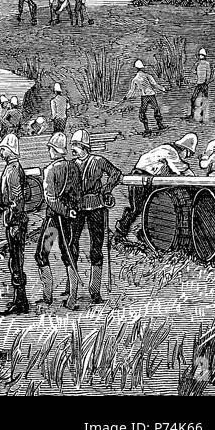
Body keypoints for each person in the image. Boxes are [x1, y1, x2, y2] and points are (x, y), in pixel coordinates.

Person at [69, 129, 121, 305]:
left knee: (96, 247)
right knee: (72, 244)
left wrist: (107, 189)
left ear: (84, 146)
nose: (73, 149)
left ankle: (95, 289)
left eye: (76, 145)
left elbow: (116, 173)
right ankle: (72, 286)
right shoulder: (72, 164)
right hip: (77, 207)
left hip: (96, 207)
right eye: (72, 145)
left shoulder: (98, 161)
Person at [115, 133, 198, 239]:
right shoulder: (170, 151)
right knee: (137, 208)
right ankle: (120, 232)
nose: (188, 157)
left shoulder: (167, 150)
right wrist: (194, 181)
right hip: (140, 179)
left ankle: (144, 234)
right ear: (184, 149)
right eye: (188, 154)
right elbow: (181, 170)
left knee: (150, 207)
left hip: (149, 180)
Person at [34, 132, 83, 310]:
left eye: (49, 148)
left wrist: (63, 211)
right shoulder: (74, 167)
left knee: (41, 253)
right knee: (70, 254)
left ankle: (47, 297)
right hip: (72, 217)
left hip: (54, 220)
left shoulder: (50, 170)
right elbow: (78, 194)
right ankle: (72, 297)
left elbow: (51, 199)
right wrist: (71, 211)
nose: (48, 151)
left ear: (54, 150)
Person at [0, 134, 29, 316]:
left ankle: (21, 301)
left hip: (15, 220)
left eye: (3, 149)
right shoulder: (12, 168)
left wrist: (16, 221)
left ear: (10, 151)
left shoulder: (14, 170)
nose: (1, 152)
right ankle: (19, 299)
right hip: (12, 218)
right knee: (15, 261)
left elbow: (18, 198)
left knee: (16, 261)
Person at [123, 59, 167, 136]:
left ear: (136, 68)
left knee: (142, 112)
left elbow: (131, 90)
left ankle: (147, 129)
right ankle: (160, 125)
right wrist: (163, 88)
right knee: (156, 109)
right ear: (142, 68)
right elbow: (155, 85)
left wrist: (126, 97)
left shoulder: (135, 79)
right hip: (152, 95)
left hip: (144, 97)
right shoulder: (148, 76)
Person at [192, 47, 212, 123]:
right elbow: (193, 70)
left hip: (204, 84)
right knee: (194, 98)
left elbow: (209, 73)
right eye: (200, 55)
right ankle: (193, 114)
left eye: (202, 55)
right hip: (199, 83)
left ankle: (203, 115)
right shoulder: (197, 63)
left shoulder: (207, 64)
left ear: (204, 56)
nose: (201, 57)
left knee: (204, 99)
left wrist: (207, 81)